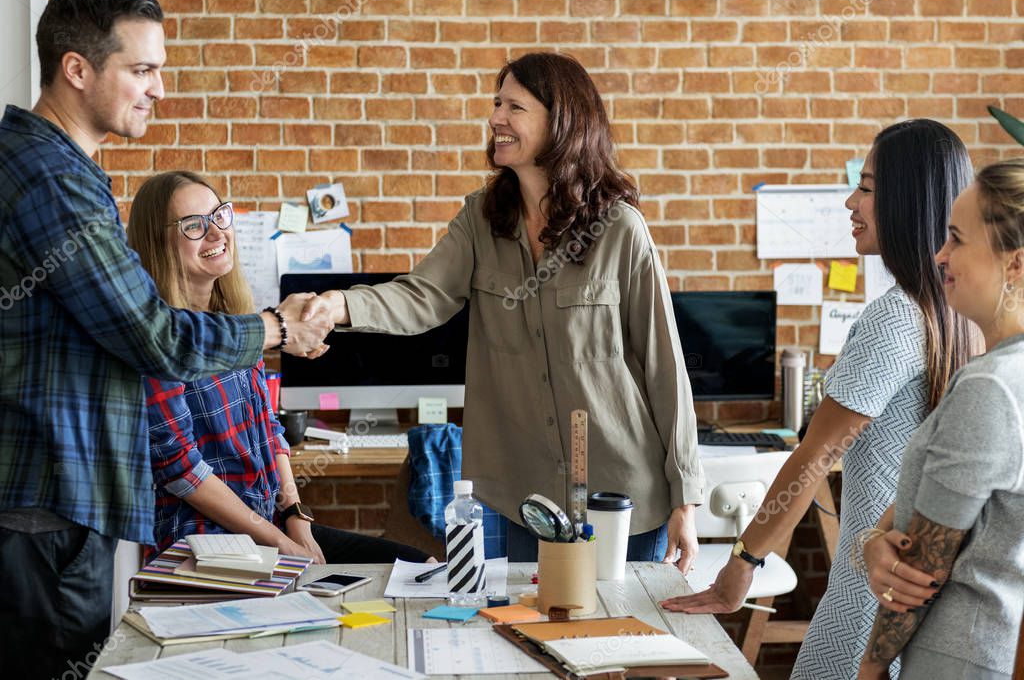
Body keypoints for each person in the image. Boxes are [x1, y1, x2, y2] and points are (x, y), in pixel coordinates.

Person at [0, 0, 331, 680]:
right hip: (44, 510)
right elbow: (155, 337)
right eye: (142, 70)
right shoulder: (47, 178)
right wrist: (273, 325)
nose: (157, 89)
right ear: (77, 69)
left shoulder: (69, 173)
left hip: (59, 507)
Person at [319, 52, 704, 567]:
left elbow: (665, 369)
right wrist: (337, 306)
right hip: (521, 497)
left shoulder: (619, 229)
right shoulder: (480, 220)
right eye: (496, 103)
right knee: (525, 633)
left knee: (617, 638)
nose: (496, 118)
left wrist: (686, 497)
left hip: (623, 496)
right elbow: (422, 296)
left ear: (561, 121)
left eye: (514, 107)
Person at [660, 120, 980, 680]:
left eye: (868, 187)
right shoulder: (959, 318)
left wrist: (742, 564)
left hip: (866, 598)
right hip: (923, 597)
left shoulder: (894, 318)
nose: (850, 200)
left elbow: (816, 456)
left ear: (907, 200)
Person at [127, 171, 432, 565]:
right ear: (159, 240)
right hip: (203, 541)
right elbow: (181, 470)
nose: (217, 233)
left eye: (220, 215)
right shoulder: (158, 339)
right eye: (193, 226)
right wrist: (281, 543)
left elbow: (269, 430)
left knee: (421, 567)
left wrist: (295, 517)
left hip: (268, 524)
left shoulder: (240, 325)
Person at [858, 159, 1024, 680]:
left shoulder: (989, 386)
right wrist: (873, 538)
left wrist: (868, 667)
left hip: (959, 657)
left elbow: (923, 567)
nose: (940, 254)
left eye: (956, 239)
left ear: (1014, 265)